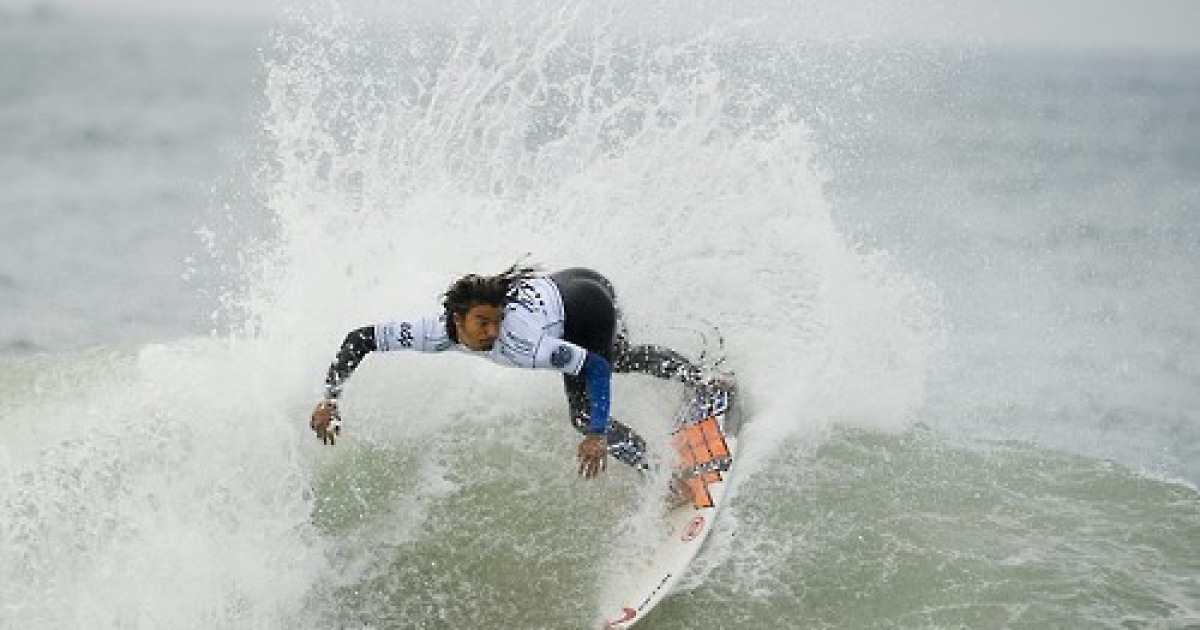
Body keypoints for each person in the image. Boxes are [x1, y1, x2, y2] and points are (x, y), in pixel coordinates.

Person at [308, 264, 725, 478]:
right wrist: (330, 399)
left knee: (588, 408)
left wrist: (597, 434)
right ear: (456, 320)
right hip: (573, 279)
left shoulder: (522, 343)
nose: (492, 333)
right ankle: (701, 379)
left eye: (497, 321)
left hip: (587, 305)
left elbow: (595, 368)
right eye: (482, 323)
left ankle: (664, 474)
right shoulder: (431, 331)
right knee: (622, 356)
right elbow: (360, 339)